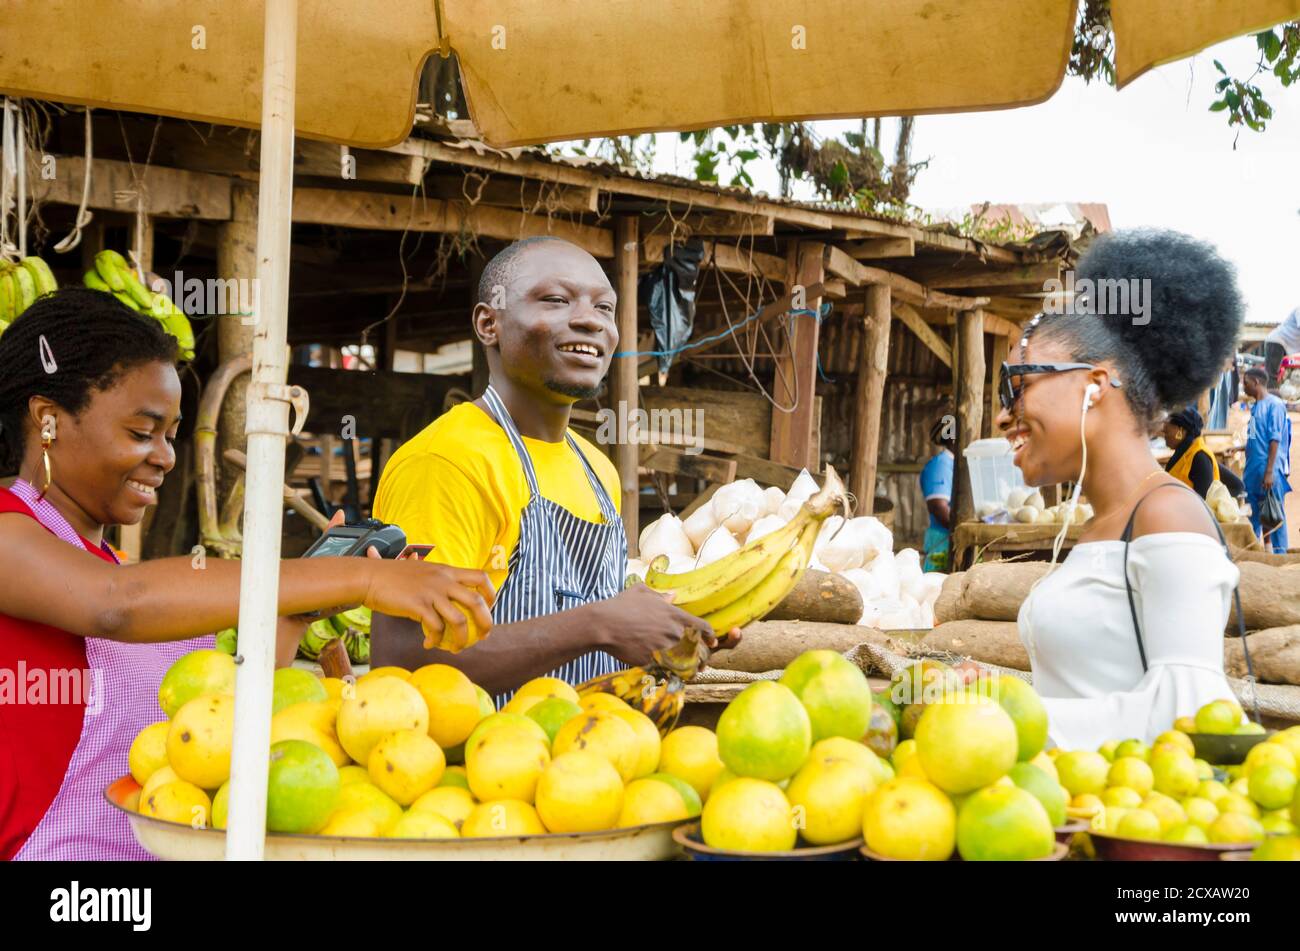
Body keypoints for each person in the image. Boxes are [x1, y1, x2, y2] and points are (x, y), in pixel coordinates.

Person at [0, 288, 495, 861]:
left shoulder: (106, 567)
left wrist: (298, 608)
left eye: (170, 434)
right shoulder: (14, 536)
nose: (165, 456)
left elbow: (218, 722)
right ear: (48, 420)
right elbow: (116, 604)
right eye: (142, 432)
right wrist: (361, 580)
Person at [370, 237, 735, 700]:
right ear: (489, 323)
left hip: (590, 752)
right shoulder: (448, 462)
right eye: (556, 300)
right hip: (483, 762)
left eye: (605, 308)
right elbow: (401, 655)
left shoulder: (596, 469)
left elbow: (602, 638)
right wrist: (597, 624)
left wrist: (669, 636)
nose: (589, 320)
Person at [995, 229, 1245, 750]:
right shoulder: (1098, 527)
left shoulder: (1168, 516)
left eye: (1017, 387)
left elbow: (1193, 719)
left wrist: (1003, 718)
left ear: (1094, 383)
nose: (1002, 416)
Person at [1242, 365, 1292, 553]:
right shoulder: (1255, 408)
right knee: (1253, 514)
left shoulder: (1275, 405)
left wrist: (1269, 471)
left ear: (1256, 382)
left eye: (1246, 383)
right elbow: (1254, 438)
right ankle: (1253, 552)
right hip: (1253, 471)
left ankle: (1280, 555)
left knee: (1274, 514)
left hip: (1268, 471)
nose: (1244, 387)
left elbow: (1275, 439)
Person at [919, 417, 954, 572]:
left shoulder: (954, 463)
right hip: (943, 541)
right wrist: (962, 530)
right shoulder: (940, 465)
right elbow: (938, 507)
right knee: (937, 588)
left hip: (950, 539)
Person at [1264, 306, 1300, 387]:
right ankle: (1271, 398)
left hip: (1287, 345)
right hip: (1277, 341)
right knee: (1271, 374)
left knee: (1279, 374)